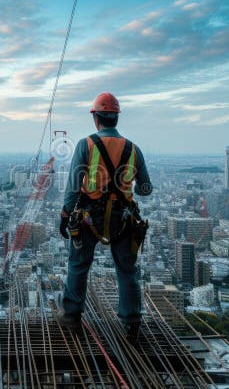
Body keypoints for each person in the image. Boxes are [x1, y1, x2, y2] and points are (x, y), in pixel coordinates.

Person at [57, 92, 152, 340]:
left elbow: (74, 185)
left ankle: (72, 318)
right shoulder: (133, 149)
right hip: (124, 218)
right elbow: (146, 188)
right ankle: (131, 323)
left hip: (89, 217)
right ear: (116, 118)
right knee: (127, 270)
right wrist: (127, 182)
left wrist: (65, 214)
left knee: (78, 265)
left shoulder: (86, 145)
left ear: (96, 118)